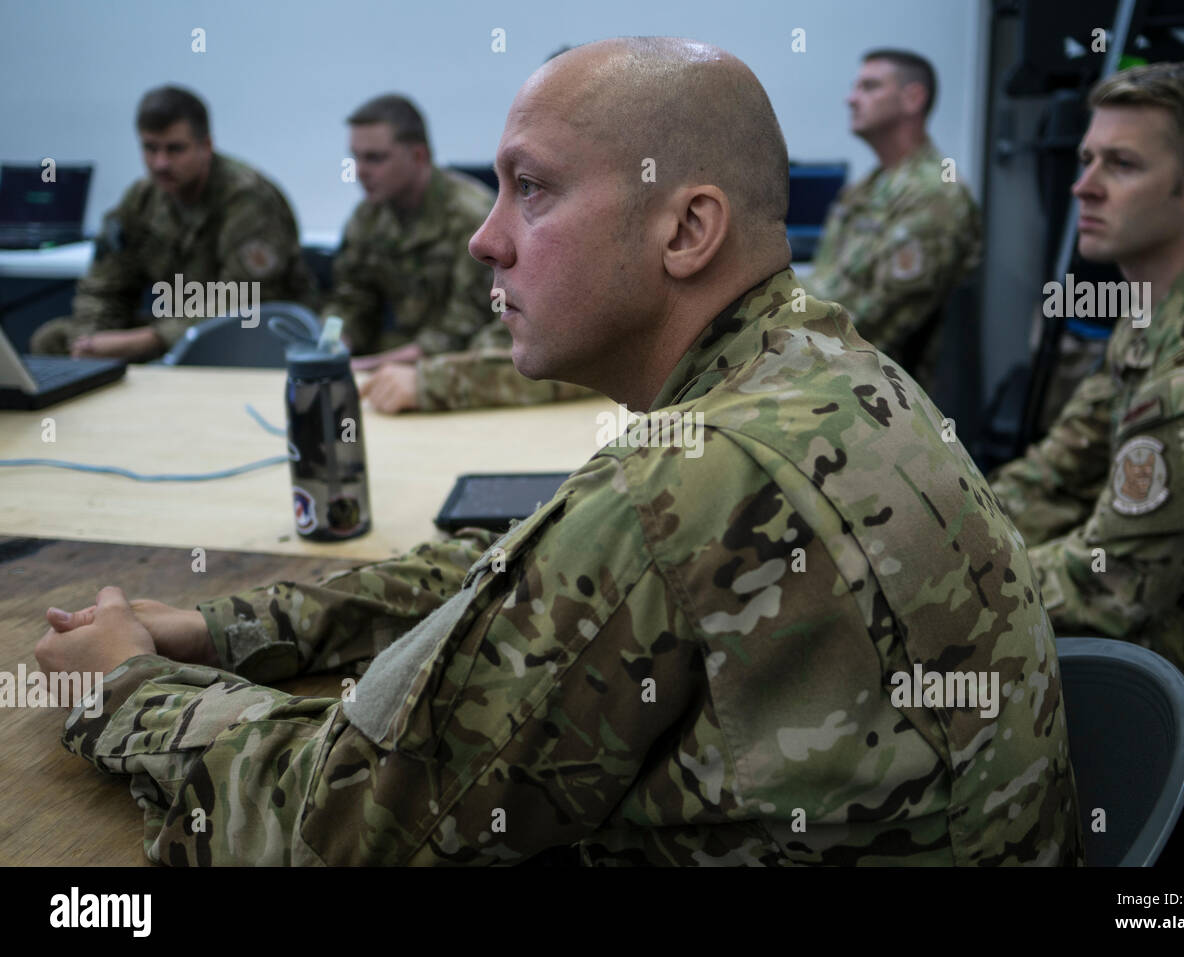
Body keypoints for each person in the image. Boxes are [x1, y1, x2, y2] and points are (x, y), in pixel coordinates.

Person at [38, 38, 1081, 866]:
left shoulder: (689, 478)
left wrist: (123, 686)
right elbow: (519, 573)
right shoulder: (816, 362)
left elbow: (335, 829)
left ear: (685, 232)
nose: (485, 238)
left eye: (530, 189)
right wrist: (228, 627)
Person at [990, 62, 1184, 749]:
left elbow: (1114, 585)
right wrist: (953, 530)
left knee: (962, 656)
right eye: (1087, 159)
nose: (1083, 186)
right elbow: (1062, 467)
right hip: (1169, 584)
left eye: (1121, 165)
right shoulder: (1155, 302)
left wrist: (948, 577)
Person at [333, 94, 592, 414]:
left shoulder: (474, 218)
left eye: (374, 158)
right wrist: (331, 343)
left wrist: (366, 367)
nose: (360, 171)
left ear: (418, 155)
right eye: (355, 158)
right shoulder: (367, 217)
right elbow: (348, 298)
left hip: (451, 367)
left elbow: (465, 334)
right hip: (422, 374)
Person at [30, 85, 315, 360]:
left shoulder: (248, 198)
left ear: (206, 146)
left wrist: (147, 340)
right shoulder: (142, 200)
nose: (160, 163)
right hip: (174, 329)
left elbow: (244, 301)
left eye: (174, 149)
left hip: (250, 334)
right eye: (150, 149)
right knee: (53, 339)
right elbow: (106, 286)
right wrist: (91, 342)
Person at [804, 49, 981, 392]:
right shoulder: (867, 188)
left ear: (913, 98)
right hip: (827, 360)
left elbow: (875, 324)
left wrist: (780, 340)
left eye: (869, 87)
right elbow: (826, 284)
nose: (851, 99)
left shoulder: (935, 194)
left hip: (874, 389)